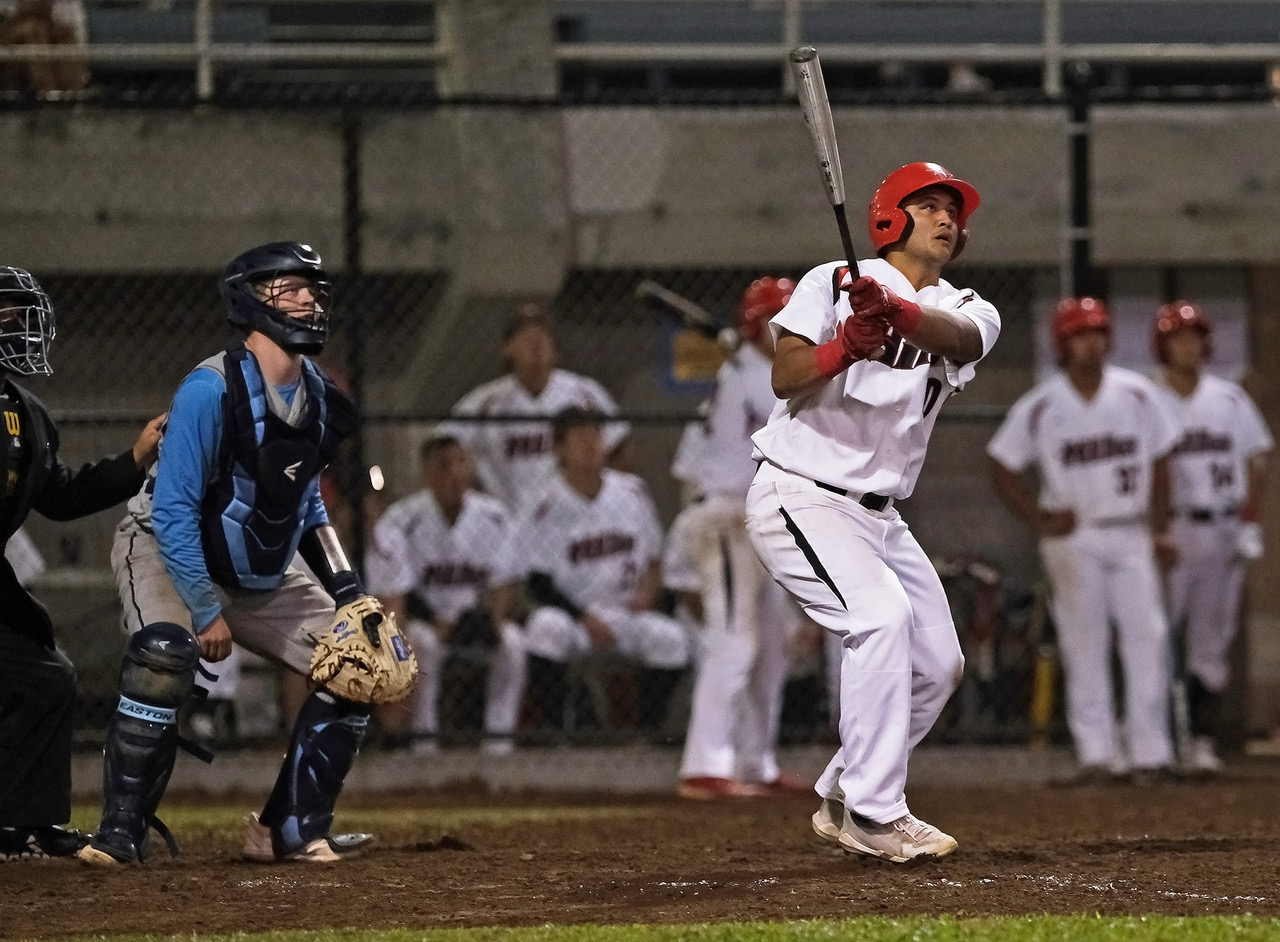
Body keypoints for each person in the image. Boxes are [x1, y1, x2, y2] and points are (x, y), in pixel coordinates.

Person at [78, 241, 388, 866]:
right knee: (164, 656)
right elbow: (172, 511)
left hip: (258, 566)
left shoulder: (323, 399)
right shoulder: (209, 389)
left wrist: (351, 591)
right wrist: (202, 609)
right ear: (249, 299)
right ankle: (121, 830)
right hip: (166, 549)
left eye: (311, 287)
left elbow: (308, 509)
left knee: (360, 661)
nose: (306, 297)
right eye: (288, 286)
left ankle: (290, 828)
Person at [745, 161, 999, 863]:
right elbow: (785, 375)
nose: (947, 219)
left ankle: (844, 789)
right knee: (879, 619)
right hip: (801, 490)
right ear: (891, 217)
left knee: (939, 665)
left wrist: (899, 317)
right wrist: (842, 347)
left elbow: (962, 341)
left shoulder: (971, 304)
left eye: (954, 209)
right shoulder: (831, 280)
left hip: (881, 517)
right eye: (930, 206)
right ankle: (876, 813)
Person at [0, 266, 163, 861]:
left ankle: (22, 823)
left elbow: (61, 497)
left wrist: (135, 458)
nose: (22, 327)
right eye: (8, 315)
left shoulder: (26, 412)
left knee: (47, 677)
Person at [988, 297, 1180, 783]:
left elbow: (1161, 462)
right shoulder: (1044, 403)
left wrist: (1160, 527)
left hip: (1131, 530)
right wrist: (1036, 517)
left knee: (1146, 639)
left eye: (1096, 332)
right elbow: (1001, 463)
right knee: (1084, 642)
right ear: (1062, 343)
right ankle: (1098, 754)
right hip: (1074, 540)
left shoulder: (1137, 393)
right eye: (1079, 334)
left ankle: (1149, 753)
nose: (1089, 342)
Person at [672, 277, 808, 800]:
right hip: (728, 515)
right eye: (781, 319)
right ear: (757, 325)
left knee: (773, 647)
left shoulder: (764, 371)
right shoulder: (742, 375)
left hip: (762, 521)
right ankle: (703, 764)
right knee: (734, 640)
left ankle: (757, 761)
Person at [1151, 301, 1272, 773]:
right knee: (1158, 634)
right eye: (1178, 337)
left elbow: (1255, 463)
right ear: (1163, 346)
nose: (1188, 345)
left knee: (1211, 640)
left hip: (1222, 528)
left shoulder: (1229, 398)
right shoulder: (1148, 397)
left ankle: (1200, 738)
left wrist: (1250, 522)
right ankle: (1158, 738)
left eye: (1195, 336)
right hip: (1173, 528)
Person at [520, 406, 690, 735]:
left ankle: (645, 734)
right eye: (580, 437)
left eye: (596, 435)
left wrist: (646, 593)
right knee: (544, 629)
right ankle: (561, 733)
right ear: (558, 448)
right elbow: (538, 583)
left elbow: (655, 559)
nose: (591, 444)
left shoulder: (632, 491)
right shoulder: (543, 503)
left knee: (672, 641)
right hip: (576, 620)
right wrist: (583, 617)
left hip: (626, 612)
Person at [365, 431, 525, 756]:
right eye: (442, 466)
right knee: (422, 644)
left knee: (513, 643)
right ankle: (425, 744)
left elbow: (504, 583)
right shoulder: (402, 519)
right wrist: (437, 622)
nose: (453, 473)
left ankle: (499, 744)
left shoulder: (493, 516)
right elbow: (397, 595)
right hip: (426, 621)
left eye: (460, 463)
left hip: (475, 619)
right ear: (425, 474)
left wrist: (491, 620)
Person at [448, 303, 630, 517]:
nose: (536, 344)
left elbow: (620, 447)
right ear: (505, 349)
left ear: (555, 346)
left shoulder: (584, 392)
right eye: (525, 337)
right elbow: (445, 451)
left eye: (543, 336)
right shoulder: (484, 402)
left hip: (572, 515)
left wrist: (604, 498)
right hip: (508, 519)